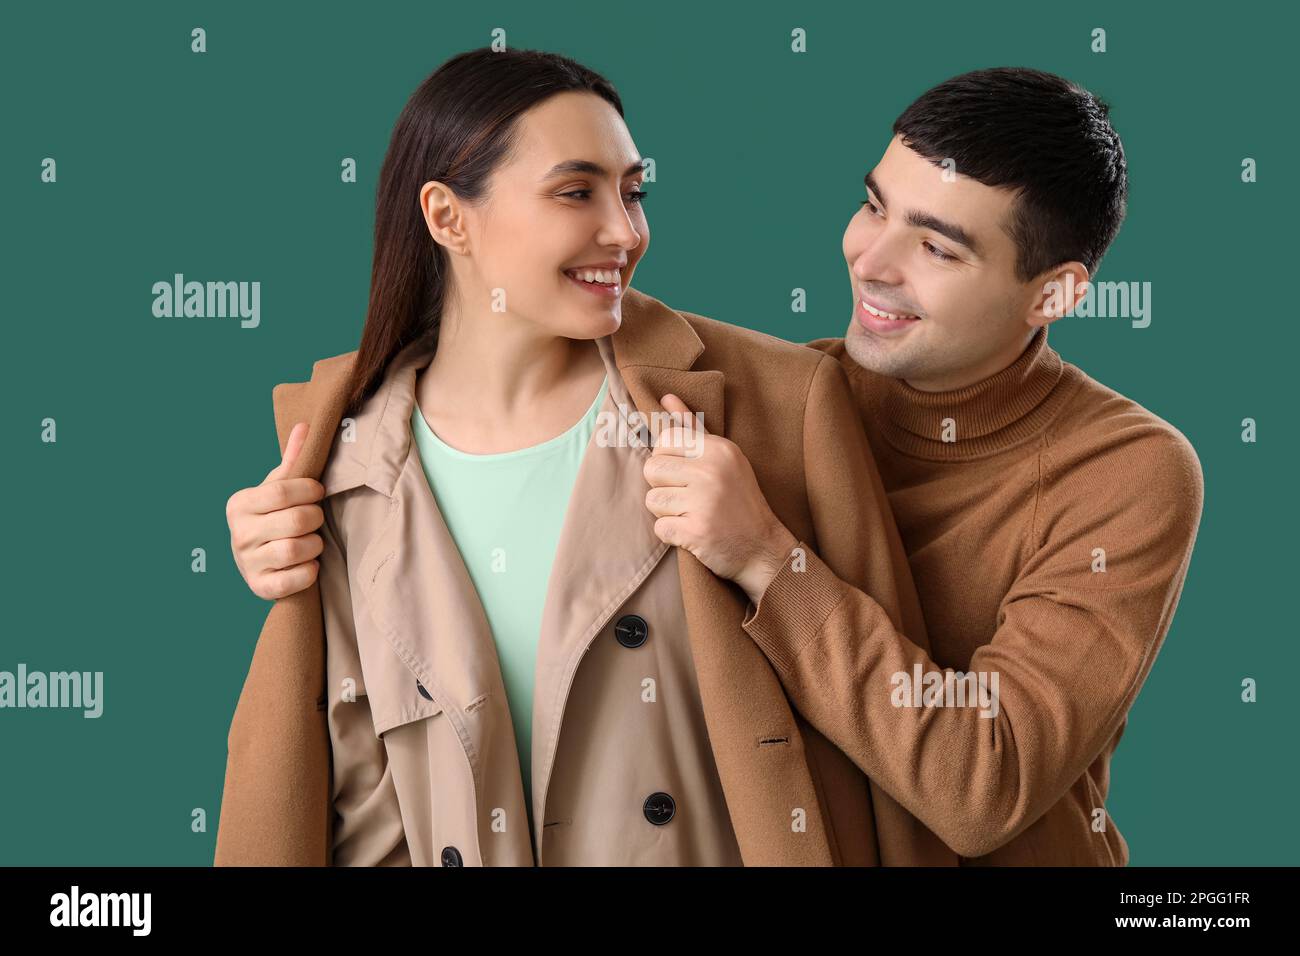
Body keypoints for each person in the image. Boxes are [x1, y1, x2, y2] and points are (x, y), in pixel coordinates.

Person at [217, 47, 950, 867]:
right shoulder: (339, 468)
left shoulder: (778, 404)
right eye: (577, 192)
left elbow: (898, 769)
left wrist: (768, 559)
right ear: (447, 216)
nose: (625, 231)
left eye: (633, 192)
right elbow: (341, 796)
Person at [643, 68, 1205, 864]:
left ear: (1053, 295)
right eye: (874, 205)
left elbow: (987, 785)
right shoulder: (783, 402)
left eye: (937, 246)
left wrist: (771, 563)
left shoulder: (1127, 469)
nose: (871, 261)